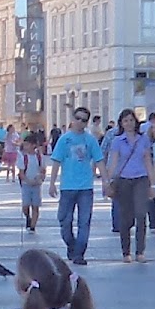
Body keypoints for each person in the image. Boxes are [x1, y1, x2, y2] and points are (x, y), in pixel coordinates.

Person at [48, 107, 105, 266]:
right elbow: (56, 161)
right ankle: (71, 244)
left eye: (84, 120)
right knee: (64, 220)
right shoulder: (64, 139)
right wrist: (52, 183)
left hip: (85, 187)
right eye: (78, 118)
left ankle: (79, 253)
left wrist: (106, 181)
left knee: (84, 221)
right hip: (67, 187)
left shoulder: (90, 140)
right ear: (73, 118)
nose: (80, 122)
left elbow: (99, 160)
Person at [106, 109, 155, 263]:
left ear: (136, 122)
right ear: (121, 123)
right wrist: (108, 181)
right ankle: (125, 252)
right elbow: (113, 161)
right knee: (126, 217)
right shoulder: (117, 141)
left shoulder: (143, 140)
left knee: (141, 214)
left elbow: (148, 160)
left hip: (141, 179)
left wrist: (152, 183)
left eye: (131, 120)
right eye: (125, 121)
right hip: (123, 180)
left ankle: (140, 251)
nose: (129, 123)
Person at [17, 133, 46, 232]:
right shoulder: (23, 158)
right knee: (25, 206)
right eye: (24, 145)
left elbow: (43, 169)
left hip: (36, 185)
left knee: (35, 206)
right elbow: (21, 173)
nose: (25, 147)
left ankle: (33, 226)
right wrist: (27, 181)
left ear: (33, 145)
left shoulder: (39, 157)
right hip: (26, 185)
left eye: (27, 144)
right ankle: (27, 217)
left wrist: (41, 177)